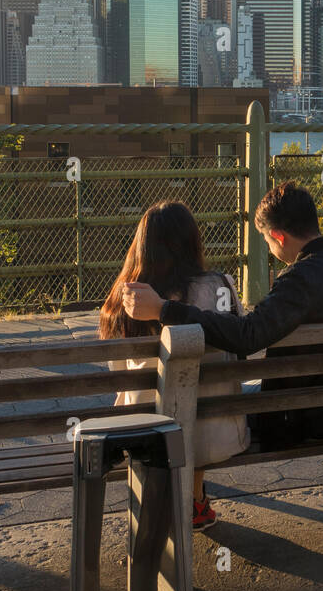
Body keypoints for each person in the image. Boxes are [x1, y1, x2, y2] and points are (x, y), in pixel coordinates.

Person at [121, 181, 323, 445]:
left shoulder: (298, 280)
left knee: (216, 402)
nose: (270, 249)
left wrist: (164, 309)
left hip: (297, 418)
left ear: (279, 236)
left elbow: (247, 336)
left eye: (268, 241)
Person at [98, 201, 249, 531]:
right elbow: (243, 353)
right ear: (193, 243)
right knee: (196, 403)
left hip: (144, 432)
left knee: (160, 404)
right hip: (216, 435)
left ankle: (164, 501)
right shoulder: (220, 287)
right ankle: (194, 500)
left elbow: (119, 374)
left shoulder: (124, 298)